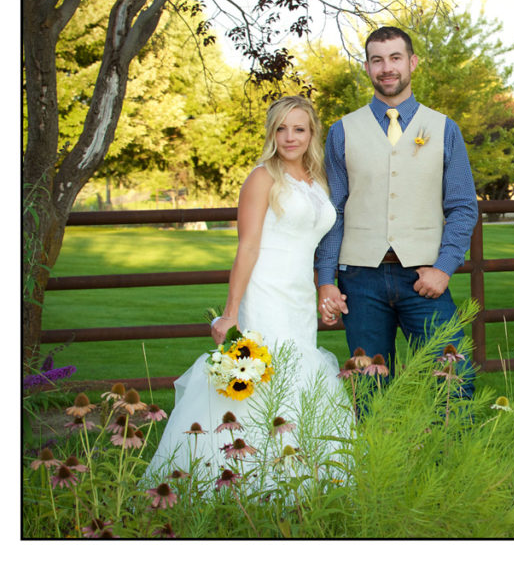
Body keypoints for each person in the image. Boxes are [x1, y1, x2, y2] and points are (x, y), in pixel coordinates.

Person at [145, 96, 352, 485]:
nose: (290, 137)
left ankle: (298, 476)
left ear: (312, 134)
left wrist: (325, 289)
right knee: (264, 380)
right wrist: (231, 312)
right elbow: (248, 246)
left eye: (299, 129)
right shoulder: (263, 177)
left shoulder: (318, 179)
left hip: (299, 298)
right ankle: (243, 477)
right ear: (272, 133)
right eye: (282, 128)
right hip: (265, 292)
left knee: (298, 375)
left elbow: (318, 239)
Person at [315, 26, 478, 398]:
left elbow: (464, 207)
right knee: (369, 387)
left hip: (424, 279)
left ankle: (450, 455)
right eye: (377, 60)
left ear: (412, 62)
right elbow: (333, 212)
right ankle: (378, 457)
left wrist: (444, 267)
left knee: (455, 381)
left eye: (395, 58)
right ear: (368, 67)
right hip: (360, 280)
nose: (386, 68)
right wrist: (326, 280)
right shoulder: (342, 131)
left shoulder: (443, 129)